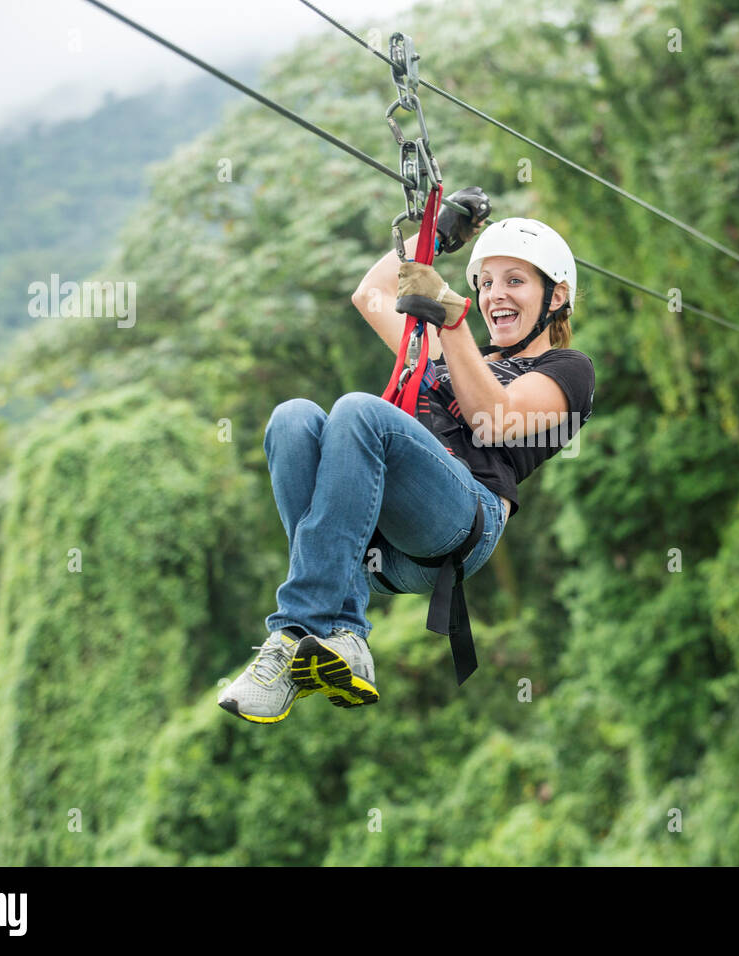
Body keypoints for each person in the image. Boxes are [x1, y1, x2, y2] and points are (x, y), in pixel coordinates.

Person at [218, 191, 595, 723]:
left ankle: (293, 632)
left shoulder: (569, 369)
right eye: (485, 283)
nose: (494, 295)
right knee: (293, 418)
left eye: (515, 281)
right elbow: (371, 293)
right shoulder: (455, 348)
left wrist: (452, 319)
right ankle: (340, 631)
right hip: (378, 545)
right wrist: (435, 237)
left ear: (555, 298)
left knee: (359, 410)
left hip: (461, 524)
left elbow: (496, 418)